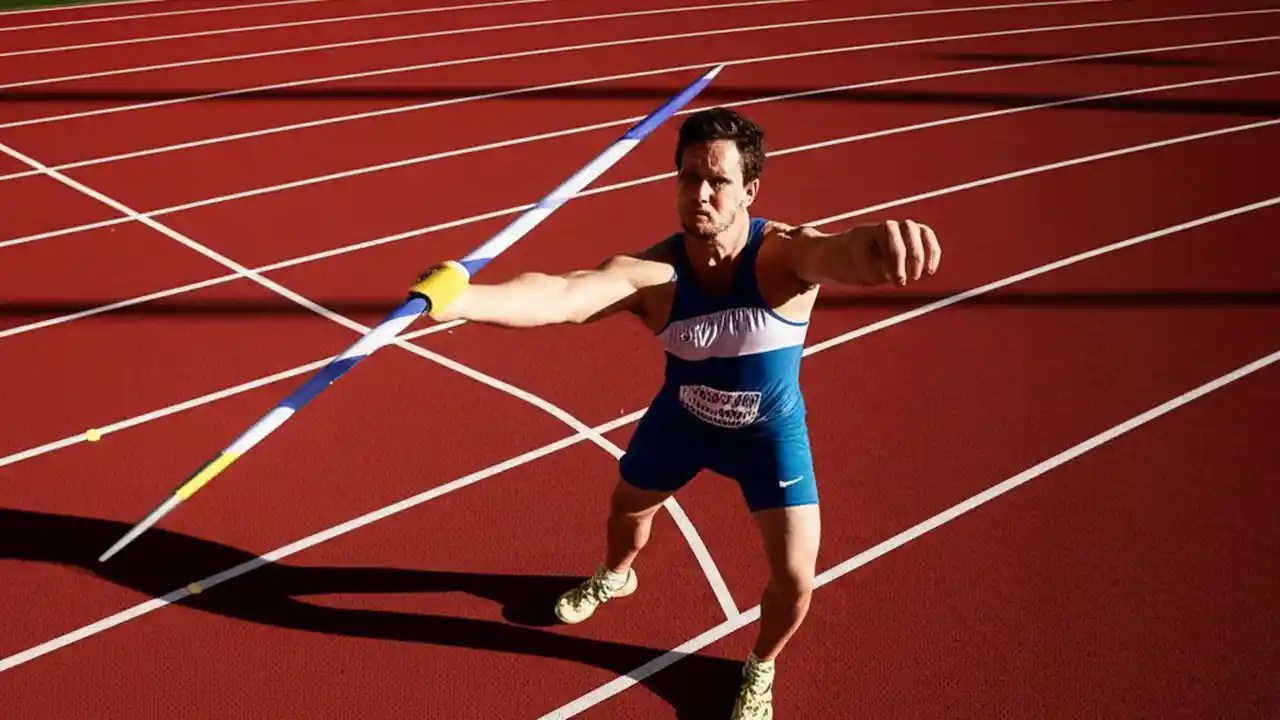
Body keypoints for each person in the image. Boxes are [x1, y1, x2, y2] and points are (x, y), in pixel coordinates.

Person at [415, 107, 941, 719]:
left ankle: (760, 664)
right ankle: (617, 574)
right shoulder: (654, 276)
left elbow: (841, 252)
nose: (700, 193)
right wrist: (462, 300)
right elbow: (563, 293)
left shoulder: (783, 258)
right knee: (626, 510)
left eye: (718, 180)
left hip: (768, 434)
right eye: (689, 177)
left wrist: (881, 247)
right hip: (683, 421)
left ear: (750, 190)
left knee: (797, 578)